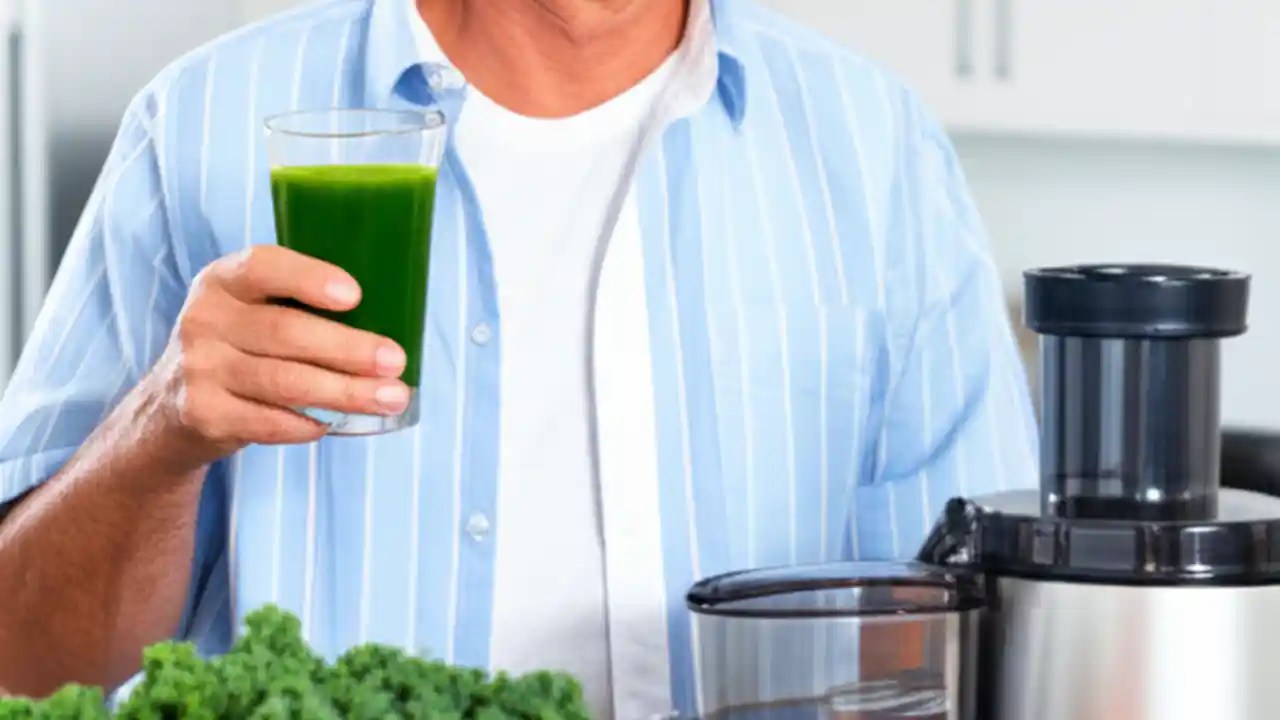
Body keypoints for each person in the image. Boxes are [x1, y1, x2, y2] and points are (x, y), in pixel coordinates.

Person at [0, 0, 1038, 716]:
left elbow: (983, 645)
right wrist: (160, 435)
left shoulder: (871, 147)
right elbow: (24, 667)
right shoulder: (199, 123)